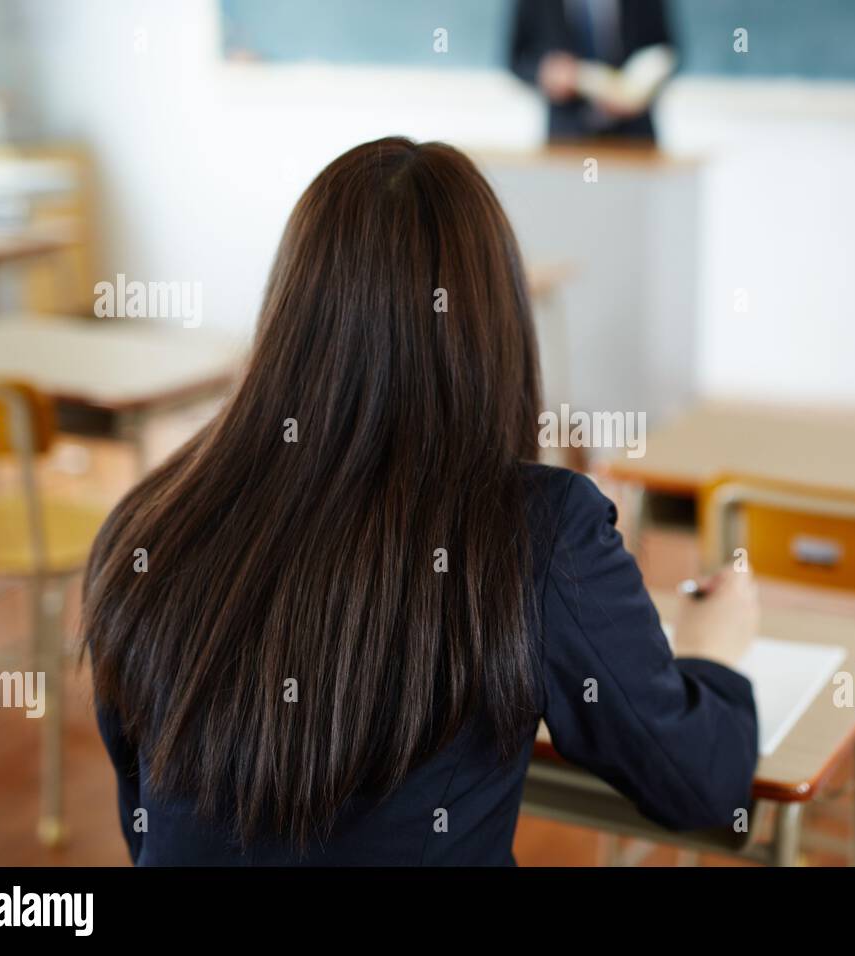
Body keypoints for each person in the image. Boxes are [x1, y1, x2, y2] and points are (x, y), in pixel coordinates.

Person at [81, 137, 758, 865]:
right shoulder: (539, 531)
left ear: (288, 307)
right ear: (495, 321)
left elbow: (145, 827)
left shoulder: (148, 523)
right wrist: (713, 654)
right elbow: (697, 781)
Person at [509, 0, 675, 142]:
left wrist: (639, 87)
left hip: (633, 133)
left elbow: (666, 50)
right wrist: (545, 71)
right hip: (567, 134)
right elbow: (518, 58)